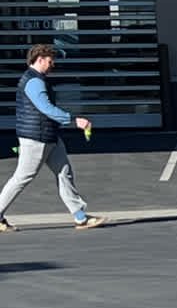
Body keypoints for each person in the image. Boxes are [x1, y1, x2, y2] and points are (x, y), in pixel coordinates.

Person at [0, 44, 104, 232]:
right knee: (22, 178)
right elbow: (46, 108)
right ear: (39, 59)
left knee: (64, 173)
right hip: (36, 138)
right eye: (50, 61)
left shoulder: (37, 79)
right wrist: (73, 120)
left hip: (49, 136)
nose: (52, 64)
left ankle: (80, 217)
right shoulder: (33, 82)